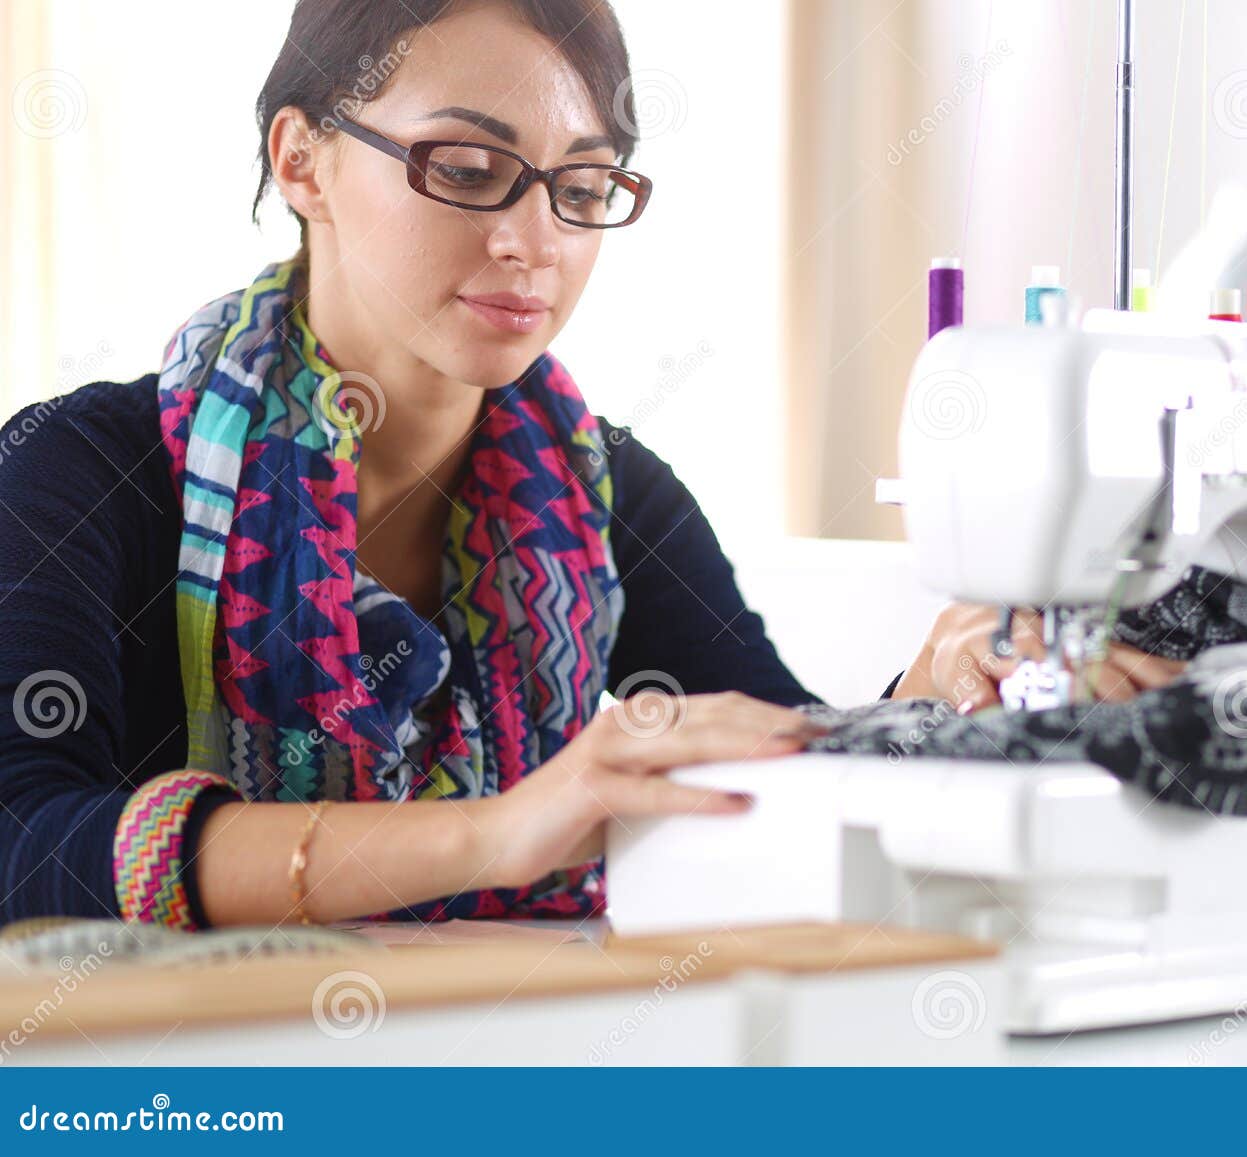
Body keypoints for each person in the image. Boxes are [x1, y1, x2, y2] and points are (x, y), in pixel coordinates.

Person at [0, 0, 1181, 933]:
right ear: (301, 160)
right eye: (466, 167)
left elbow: (763, 770)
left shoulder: (607, 492)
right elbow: (22, 840)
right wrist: (501, 830)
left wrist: (927, 698)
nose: (536, 242)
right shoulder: (79, 475)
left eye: (581, 186)